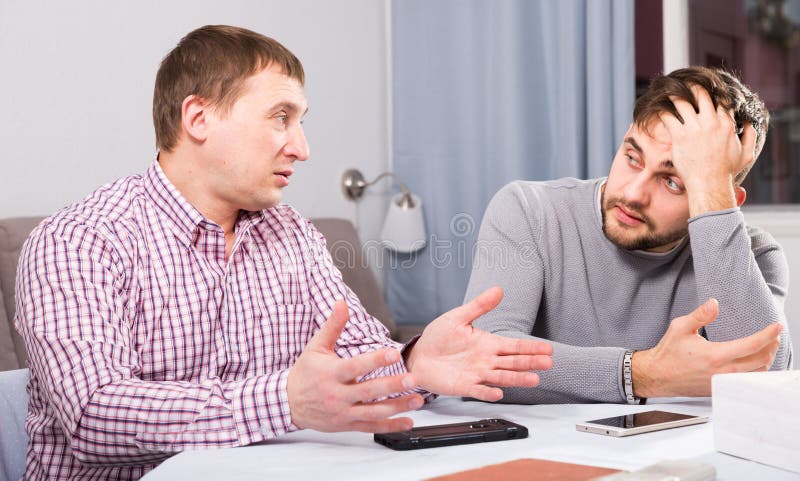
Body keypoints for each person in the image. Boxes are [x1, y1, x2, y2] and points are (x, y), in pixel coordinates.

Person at [14, 25, 554, 480]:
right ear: (198, 119)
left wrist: (412, 364)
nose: (302, 147)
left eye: (301, 120)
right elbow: (93, 416)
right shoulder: (79, 240)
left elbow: (355, 360)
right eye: (280, 117)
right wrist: (285, 402)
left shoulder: (290, 232)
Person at [465, 66, 792, 405]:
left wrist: (711, 194)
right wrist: (641, 373)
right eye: (633, 158)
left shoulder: (755, 254)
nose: (634, 193)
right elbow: (482, 359)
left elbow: (763, 385)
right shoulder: (528, 210)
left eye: (674, 182)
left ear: (726, 200)